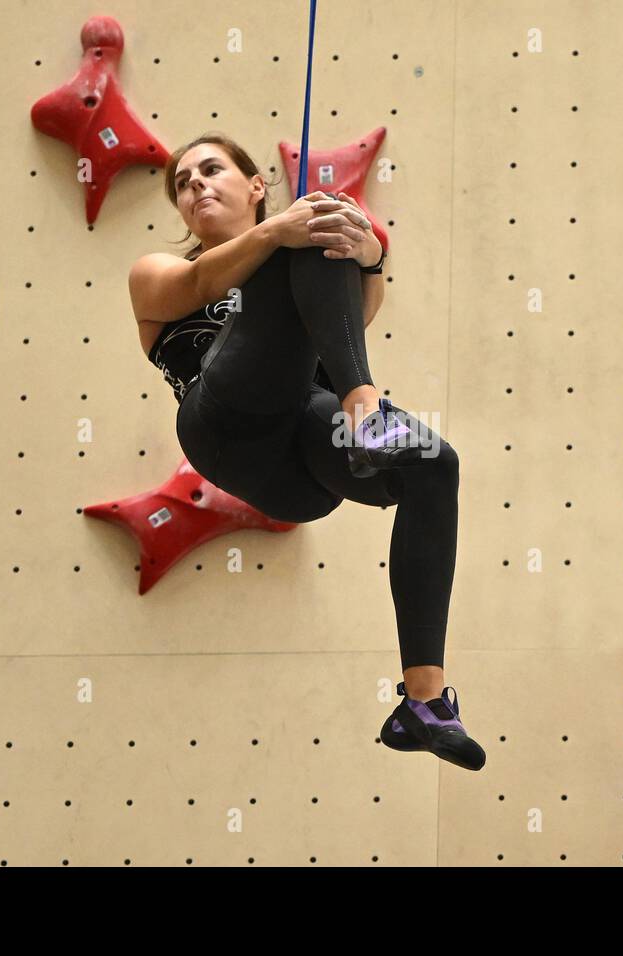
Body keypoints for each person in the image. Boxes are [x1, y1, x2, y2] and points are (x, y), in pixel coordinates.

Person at [128, 134, 484, 771]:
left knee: (435, 465)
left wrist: (369, 253)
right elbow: (204, 278)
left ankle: (423, 704)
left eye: (211, 171)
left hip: (305, 465)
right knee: (305, 236)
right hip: (227, 428)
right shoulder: (157, 273)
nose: (195, 187)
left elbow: (357, 307)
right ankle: (364, 410)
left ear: (255, 184)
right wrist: (281, 232)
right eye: (182, 184)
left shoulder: (298, 243)